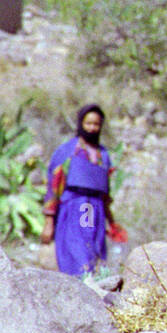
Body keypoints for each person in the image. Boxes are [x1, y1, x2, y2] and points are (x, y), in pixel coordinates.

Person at [41, 104, 126, 277]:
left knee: (94, 249)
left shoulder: (103, 155)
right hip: (75, 207)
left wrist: (112, 222)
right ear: (81, 124)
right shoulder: (67, 151)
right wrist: (49, 221)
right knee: (78, 252)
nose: (92, 128)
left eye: (96, 124)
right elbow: (54, 186)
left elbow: (105, 192)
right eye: (88, 123)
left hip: (96, 209)